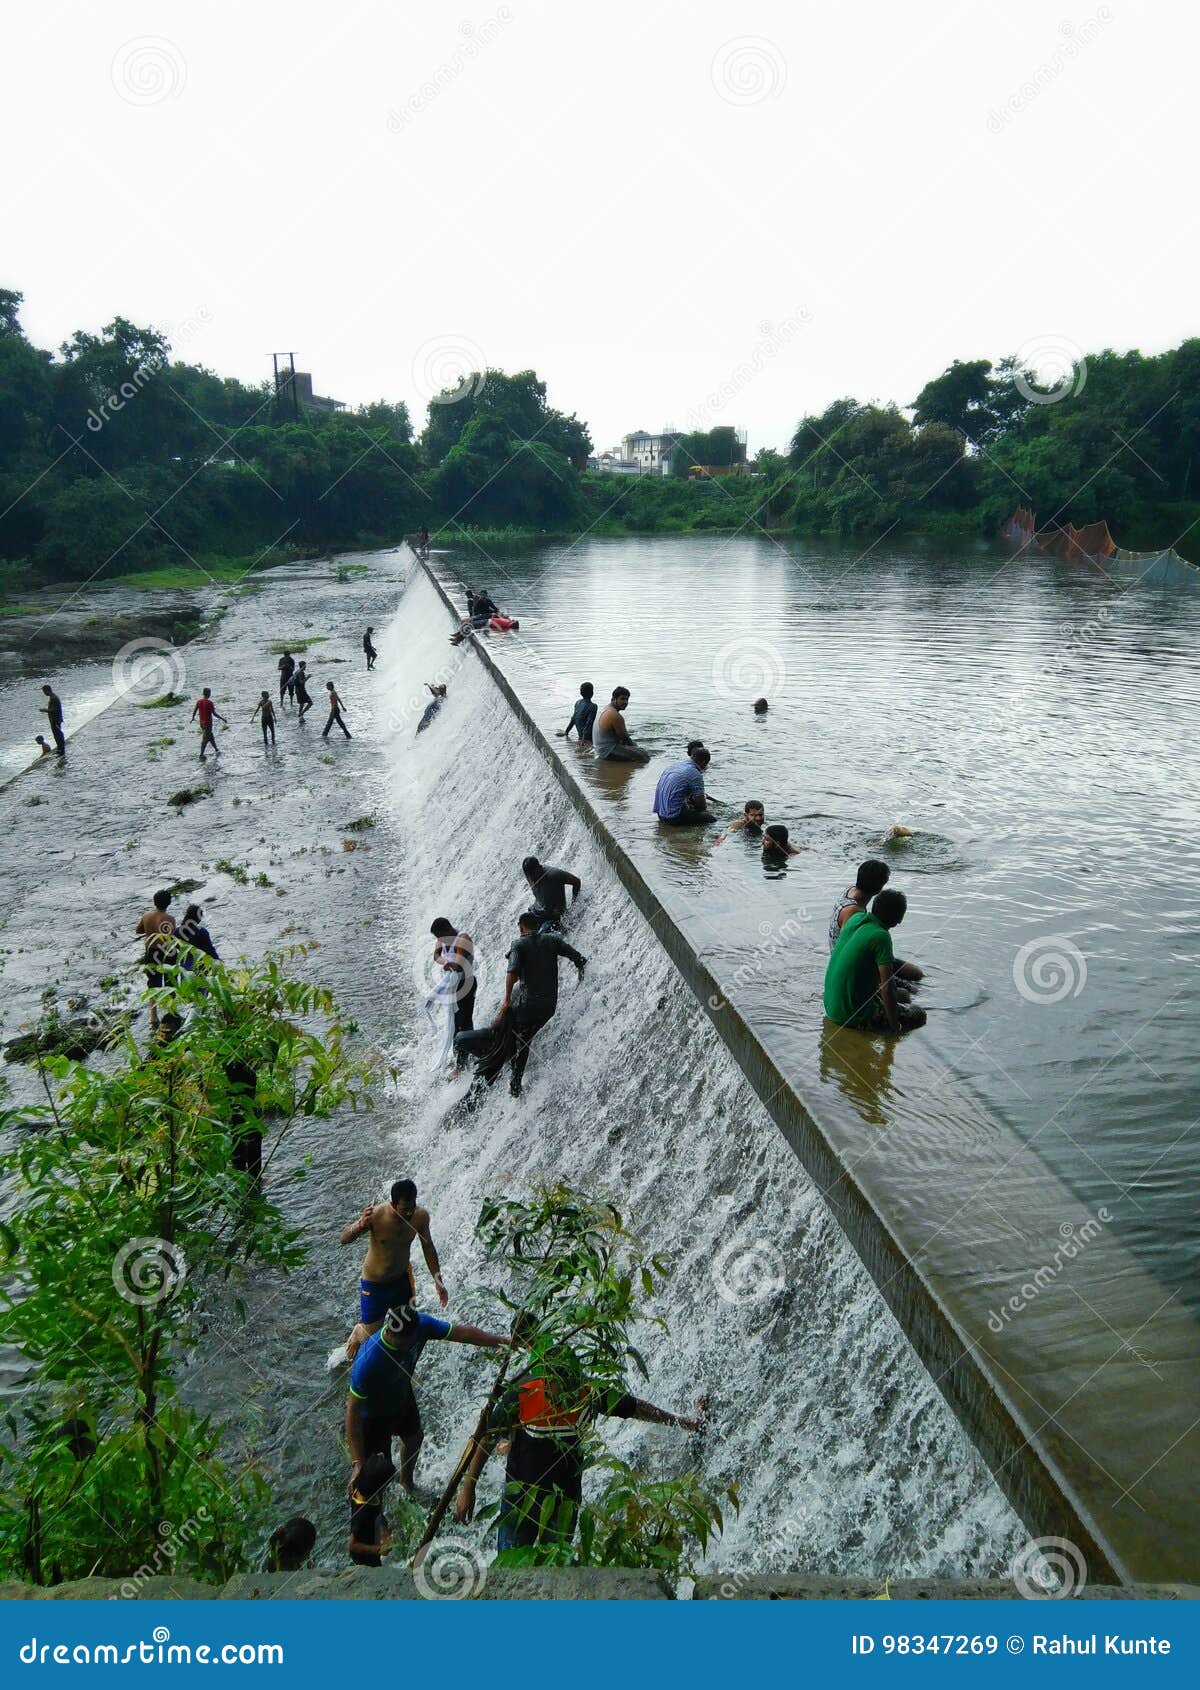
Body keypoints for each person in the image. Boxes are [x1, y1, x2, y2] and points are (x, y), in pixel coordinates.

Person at [455, 1338, 705, 1552]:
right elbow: (487, 1438)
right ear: (544, 1377)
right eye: (554, 1380)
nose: (563, 1387)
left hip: (563, 1500)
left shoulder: (587, 1395)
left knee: (553, 1570)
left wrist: (685, 1422)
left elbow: (636, 1408)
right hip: (519, 1497)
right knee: (510, 1566)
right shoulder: (523, 1392)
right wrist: (469, 1486)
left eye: (568, 1380)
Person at [345, 1301, 508, 1495]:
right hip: (372, 1416)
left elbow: (462, 1333)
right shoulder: (368, 1362)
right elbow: (352, 1413)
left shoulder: (422, 1325)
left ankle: (407, 1483)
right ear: (393, 1333)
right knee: (377, 1472)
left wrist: (504, 1341)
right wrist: (357, 1463)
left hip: (401, 1397)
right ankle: (378, 1514)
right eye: (403, 1343)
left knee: (414, 1438)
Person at [474, 912, 586, 1098]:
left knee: (514, 1034)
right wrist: (580, 971)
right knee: (525, 1036)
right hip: (549, 1006)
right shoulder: (553, 940)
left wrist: (505, 1002)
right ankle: (513, 1077)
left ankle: (512, 1078)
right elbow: (578, 958)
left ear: (521, 928)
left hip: (528, 1004)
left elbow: (511, 973)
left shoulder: (518, 944)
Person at [340, 1179, 449, 1361]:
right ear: (393, 1204)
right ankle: (360, 1331)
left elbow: (428, 1248)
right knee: (371, 1338)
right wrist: (358, 1226)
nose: (409, 1212)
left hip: (401, 1280)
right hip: (374, 1284)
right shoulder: (375, 1216)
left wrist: (438, 1282)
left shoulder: (420, 1217)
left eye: (412, 1206)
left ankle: (400, 1367)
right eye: (404, 1208)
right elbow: (343, 1239)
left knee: (407, 1328)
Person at [822, 888, 926, 1035]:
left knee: (903, 994)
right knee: (919, 1014)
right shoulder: (881, 937)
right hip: (851, 1017)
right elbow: (887, 988)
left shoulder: (855, 919)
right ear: (899, 919)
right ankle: (880, 1029)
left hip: (831, 1007)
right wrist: (895, 1025)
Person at [828, 862, 923, 986]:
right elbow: (849, 949)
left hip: (848, 959)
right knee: (914, 977)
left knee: (915, 974)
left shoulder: (850, 890)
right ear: (878, 888)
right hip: (848, 965)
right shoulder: (853, 911)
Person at [135, 890, 176, 1031]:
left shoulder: (146, 915)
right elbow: (169, 937)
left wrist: (149, 931)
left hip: (151, 953)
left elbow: (138, 931)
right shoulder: (169, 919)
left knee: (153, 983)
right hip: (166, 953)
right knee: (170, 981)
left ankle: (153, 1016)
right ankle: (171, 1012)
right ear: (169, 903)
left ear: (154, 901)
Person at [429, 918, 476, 1037]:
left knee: (464, 1021)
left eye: (440, 936)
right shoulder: (442, 938)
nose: (439, 940)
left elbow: (459, 966)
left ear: (448, 929)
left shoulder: (462, 939)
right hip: (453, 984)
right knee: (454, 1023)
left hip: (466, 983)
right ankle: (458, 1051)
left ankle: (467, 1051)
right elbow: (436, 955)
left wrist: (450, 965)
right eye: (437, 937)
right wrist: (445, 962)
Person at [348, 1452, 395, 1567]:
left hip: (371, 1525)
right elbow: (352, 1545)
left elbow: (374, 1462)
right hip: (365, 1557)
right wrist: (378, 1549)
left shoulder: (357, 1485)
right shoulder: (364, 1512)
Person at [652, 745, 714, 825]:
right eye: (706, 765)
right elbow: (701, 806)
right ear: (703, 762)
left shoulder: (676, 765)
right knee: (710, 819)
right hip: (673, 818)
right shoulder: (695, 773)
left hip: (660, 814)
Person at [592, 687, 650, 763]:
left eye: (627, 699)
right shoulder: (614, 715)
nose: (625, 702)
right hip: (607, 752)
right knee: (644, 756)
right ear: (613, 699)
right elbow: (625, 739)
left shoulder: (606, 709)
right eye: (622, 699)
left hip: (599, 749)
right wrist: (638, 749)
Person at [522, 856, 581, 928]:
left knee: (543, 933)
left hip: (553, 917)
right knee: (524, 921)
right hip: (538, 911)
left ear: (539, 868)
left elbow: (577, 882)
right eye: (529, 876)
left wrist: (573, 904)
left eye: (533, 875)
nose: (531, 879)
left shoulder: (554, 875)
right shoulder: (529, 874)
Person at [190, 687, 226, 760]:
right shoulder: (210, 703)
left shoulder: (199, 701)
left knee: (210, 736)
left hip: (202, 724)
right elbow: (214, 713)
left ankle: (216, 749)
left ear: (203, 693)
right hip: (208, 724)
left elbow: (195, 710)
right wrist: (222, 718)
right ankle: (201, 754)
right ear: (209, 694)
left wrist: (193, 718)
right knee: (205, 739)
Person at [40, 685, 65, 755]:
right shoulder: (53, 697)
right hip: (55, 719)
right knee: (57, 735)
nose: (44, 693)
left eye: (44, 692)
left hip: (55, 720)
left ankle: (61, 750)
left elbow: (54, 710)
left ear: (47, 691)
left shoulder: (54, 698)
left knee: (58, 735)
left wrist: (45, 710)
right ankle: (60, 748)